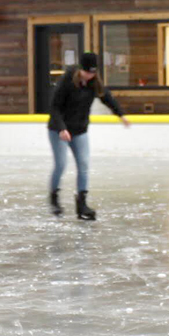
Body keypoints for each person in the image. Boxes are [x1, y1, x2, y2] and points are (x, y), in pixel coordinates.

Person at [47, 50, 130, 220]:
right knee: (61, 164)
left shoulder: (94, 83)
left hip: (79, 130)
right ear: (80, 69)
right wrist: (62, 128)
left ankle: (82, 205)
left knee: (84, 165)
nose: (89, 76)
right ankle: (54, 198)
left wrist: (121, 114)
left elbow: (107, 98)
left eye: (93, 73)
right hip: (59, 130)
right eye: (87, 72)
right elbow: (54, 107)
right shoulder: (67, 81)